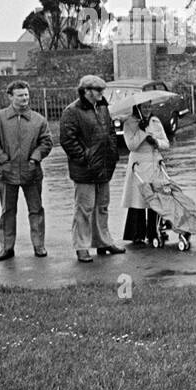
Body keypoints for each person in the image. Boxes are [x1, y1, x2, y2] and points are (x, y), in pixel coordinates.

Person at [0, 80, 53, 260]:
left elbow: (46, 142)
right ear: (10, 97)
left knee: (36, 209)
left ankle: (39, 245)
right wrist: (3, 159)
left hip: (32, 173)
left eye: (26, 94)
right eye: (20, 95)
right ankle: (6, 247)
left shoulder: (38, 120)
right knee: (7, 211)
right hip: (6, 173)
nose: (24, 98)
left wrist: (35, 158)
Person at [59, 74, 125, 263]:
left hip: (104, 166)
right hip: (85, 169)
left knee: (102, 207)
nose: (101, 93)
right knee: (84, 209)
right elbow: (68, 140)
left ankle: (103, 241)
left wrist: (112, 154)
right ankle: (81, 246)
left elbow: (111, 132)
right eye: (98, 90)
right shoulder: (72, 111)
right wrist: (85, 158)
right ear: (86, 91)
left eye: (102, 90)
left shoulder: (103, 108)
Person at [120, 103, 170, 245]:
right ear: (138, 107)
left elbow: (166, 143)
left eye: (149, 106)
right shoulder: (130, 123)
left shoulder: (155, 121)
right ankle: (137, 233)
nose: (147, 109)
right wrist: (142, 132)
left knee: (155, 197)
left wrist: (155, 141)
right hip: (139, 164)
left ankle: (155, 230)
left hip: (154, 163)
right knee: (138, 199)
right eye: (144, 107)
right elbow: (131, 145)